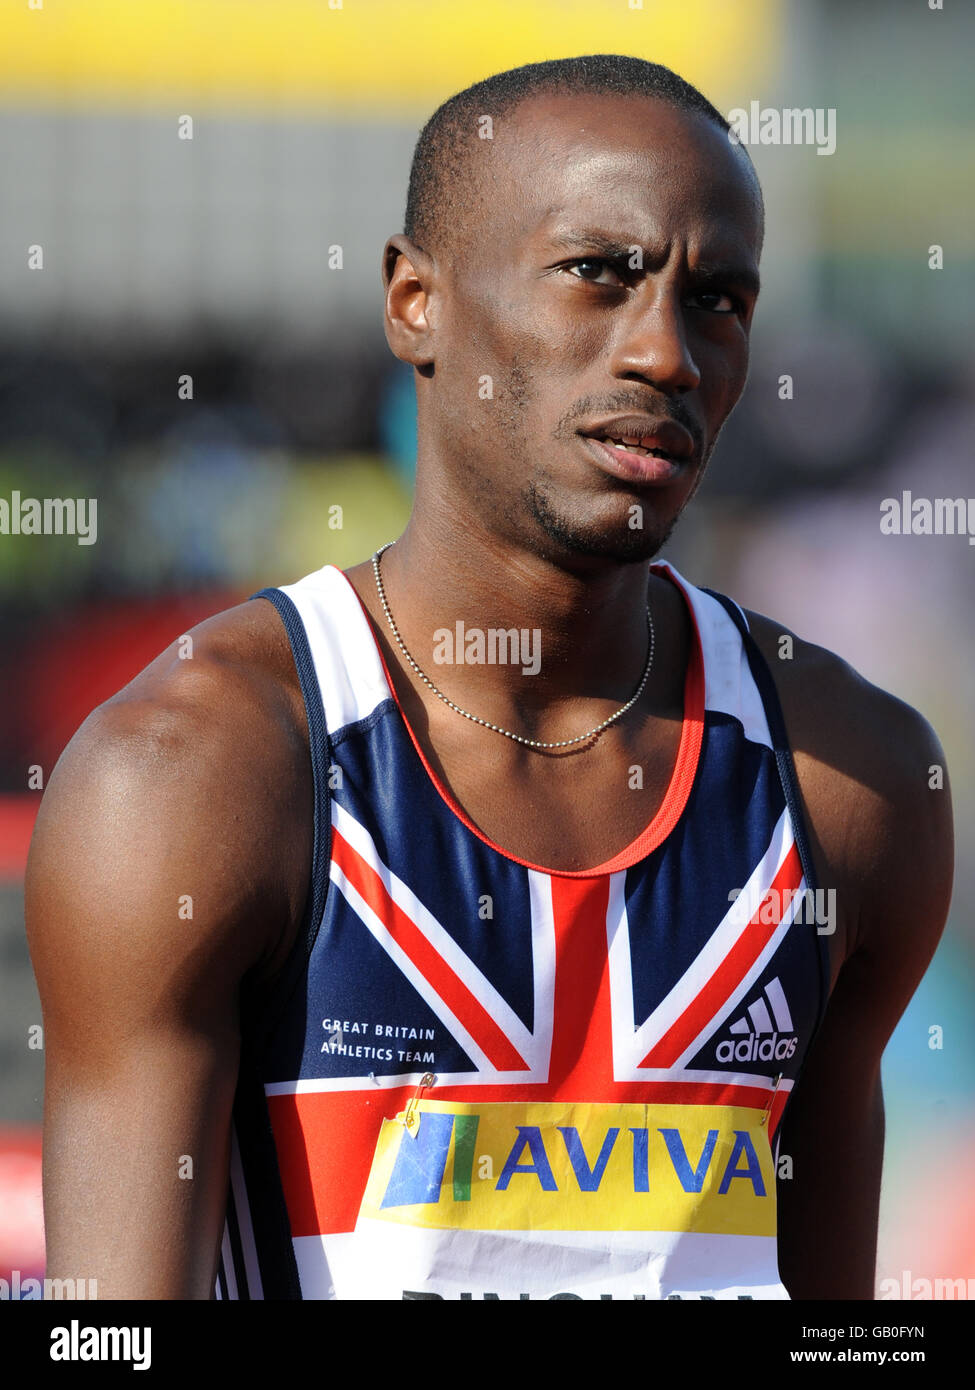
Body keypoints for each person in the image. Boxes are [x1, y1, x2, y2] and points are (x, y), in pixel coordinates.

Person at [25, 54, 953, 1301]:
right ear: (417, 301)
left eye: (719, 298)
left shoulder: (856, 787)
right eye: (598, 275)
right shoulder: (195, 775)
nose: (667, 353)